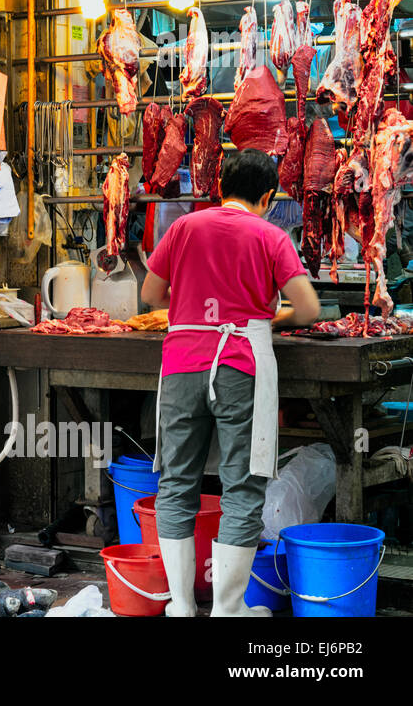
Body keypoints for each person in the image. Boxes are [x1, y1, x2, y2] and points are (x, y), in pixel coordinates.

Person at [140, 149, 320, 616]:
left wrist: (197, 300)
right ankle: (228, 610)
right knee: (242, 485)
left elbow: (149, 294)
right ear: (267, 196)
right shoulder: (270, 234)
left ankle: (180, 605)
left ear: (219, 188)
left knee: (177, 481)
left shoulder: (183, 228)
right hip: (240, 361)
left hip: (182, 362)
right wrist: (269, 317)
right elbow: (308, 309)